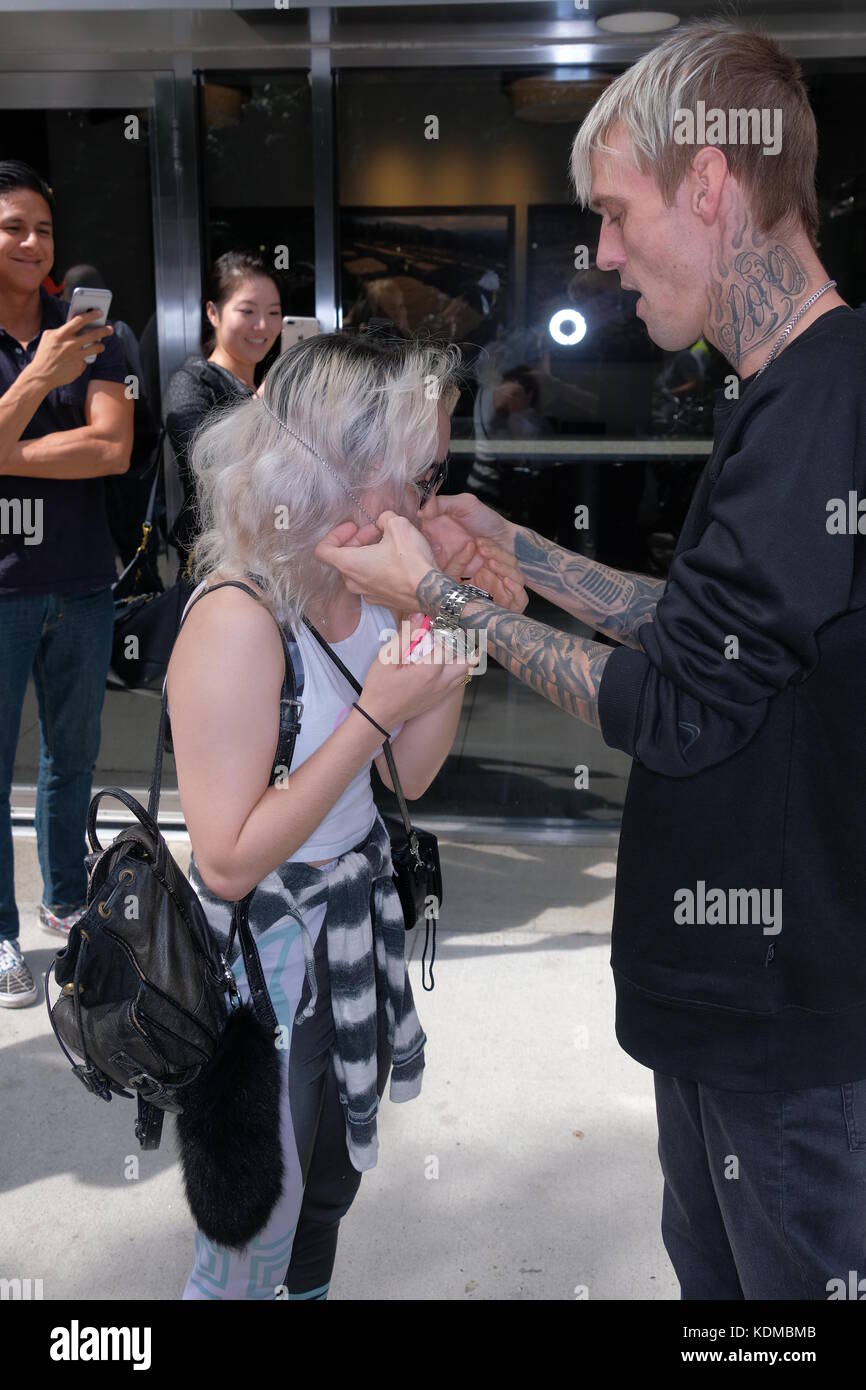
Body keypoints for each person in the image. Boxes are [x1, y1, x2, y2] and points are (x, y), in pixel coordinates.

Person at [315, 21, 866, 1301]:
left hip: (783, 1028)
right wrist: (518, 547)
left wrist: (439, 594)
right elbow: (705, 634)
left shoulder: (825, 404)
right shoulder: (787, 392)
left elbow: (673, 707)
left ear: (712, 184)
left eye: (616, 212)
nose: (602, 253)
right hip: (738, 1008)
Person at [165, 330, 526, 1299]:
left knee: (326, 1190)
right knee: (250, 1226)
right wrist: (375, 706)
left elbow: (409, 767)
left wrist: (442, 633)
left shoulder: (358, 593)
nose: (427, 504)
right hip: (259, 969)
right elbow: (230, 858)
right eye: (413, 478)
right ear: (330, 468)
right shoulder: (238, 617)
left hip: (350, 938)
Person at [0, 161, 133, 1007]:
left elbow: (112, 448)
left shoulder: (95, 334)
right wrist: (39, 380)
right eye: (13, 226)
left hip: (83, 581)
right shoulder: (60, 353)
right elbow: (77, 441)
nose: (31, 241)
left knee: (71, 759)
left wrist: (7, 451)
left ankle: (64, 904)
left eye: (43, 228)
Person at [162, 251, 283, 578]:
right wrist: (263, 401)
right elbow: (205, 462)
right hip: (218, 568)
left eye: (274, 312)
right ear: (213, 313)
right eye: (247, 311)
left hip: (276, 561)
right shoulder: (192, 382)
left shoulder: (271, 386)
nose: (263, 326)